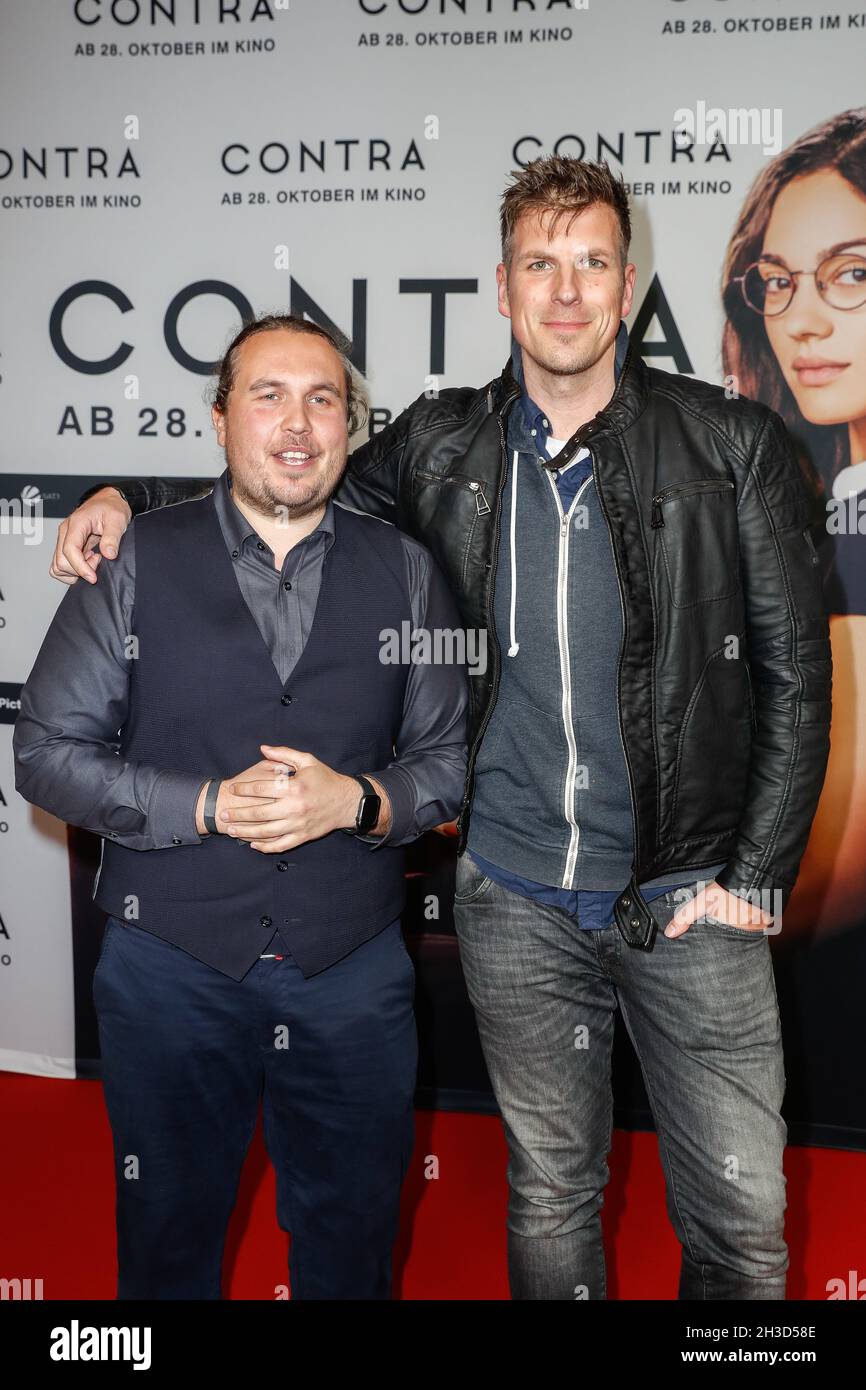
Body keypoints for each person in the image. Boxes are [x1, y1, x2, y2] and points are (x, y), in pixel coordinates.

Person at [50, 156, 832, 1300]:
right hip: (511, 893)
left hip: (690, 892)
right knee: (550, 1194)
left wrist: (753, 871)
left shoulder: (730, 445)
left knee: (742, 1223)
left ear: (626, 290)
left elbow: (793, 679)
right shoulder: (440, 447)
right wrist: (126, 493)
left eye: (590, 265)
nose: (563, 293)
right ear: (501, 291)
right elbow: (279, 479)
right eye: (537, 266)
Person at [15, 315, 469, 1300]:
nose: (296, 422)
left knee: (350, 1244)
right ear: (219, 420)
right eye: (267, 395)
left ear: (351, 426)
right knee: (166, 1240)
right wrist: (209, 806)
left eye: (322, 399)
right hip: (166, 969)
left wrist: (359, 799)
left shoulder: (405, 571)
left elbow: (446, 762)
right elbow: (47, 754)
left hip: (349, 976)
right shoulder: (134, 559)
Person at [722, 106, 866, 933]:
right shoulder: (801, 513)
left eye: (850, 273)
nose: (802, 319)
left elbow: (821, 885)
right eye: (779, 280)